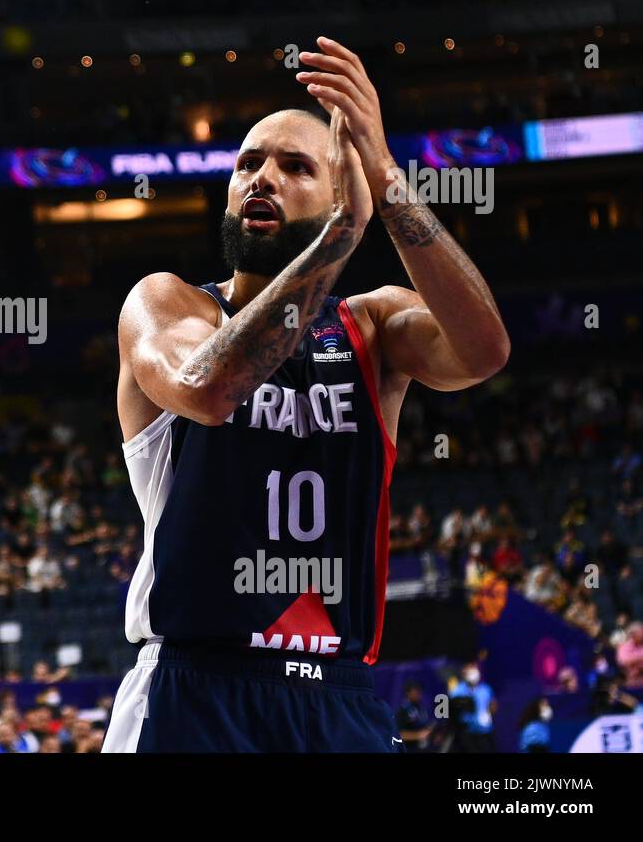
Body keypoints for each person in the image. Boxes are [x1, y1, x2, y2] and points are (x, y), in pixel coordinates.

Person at [102, 36, 509, 752]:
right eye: (248, 164)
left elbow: (484, 351)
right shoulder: (167, 305)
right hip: (196, 688)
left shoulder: (372, 326)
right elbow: (208, 390)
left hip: (339, 695)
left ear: (337, 195)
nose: (262, 177)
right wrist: (337, 241)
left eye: (295, 167)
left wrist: (384, 176)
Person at [448, 661, 497, 752]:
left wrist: (489, 714)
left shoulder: (485, 688)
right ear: (463, 673)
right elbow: (449, 709)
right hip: (467, 733)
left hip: (485, 731)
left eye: (474, 668)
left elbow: (493, 704)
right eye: (469, 669)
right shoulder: (457, 690)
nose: (473, 672)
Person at [395, 681, 434, 752]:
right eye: (416, 691)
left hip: (424, 748)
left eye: (419, 690)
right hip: (409, 749)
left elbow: (424, 726)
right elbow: (399, 734)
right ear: (408, 693)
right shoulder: (402, 710)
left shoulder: (421, 707)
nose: (419, 693)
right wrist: (418, 735)